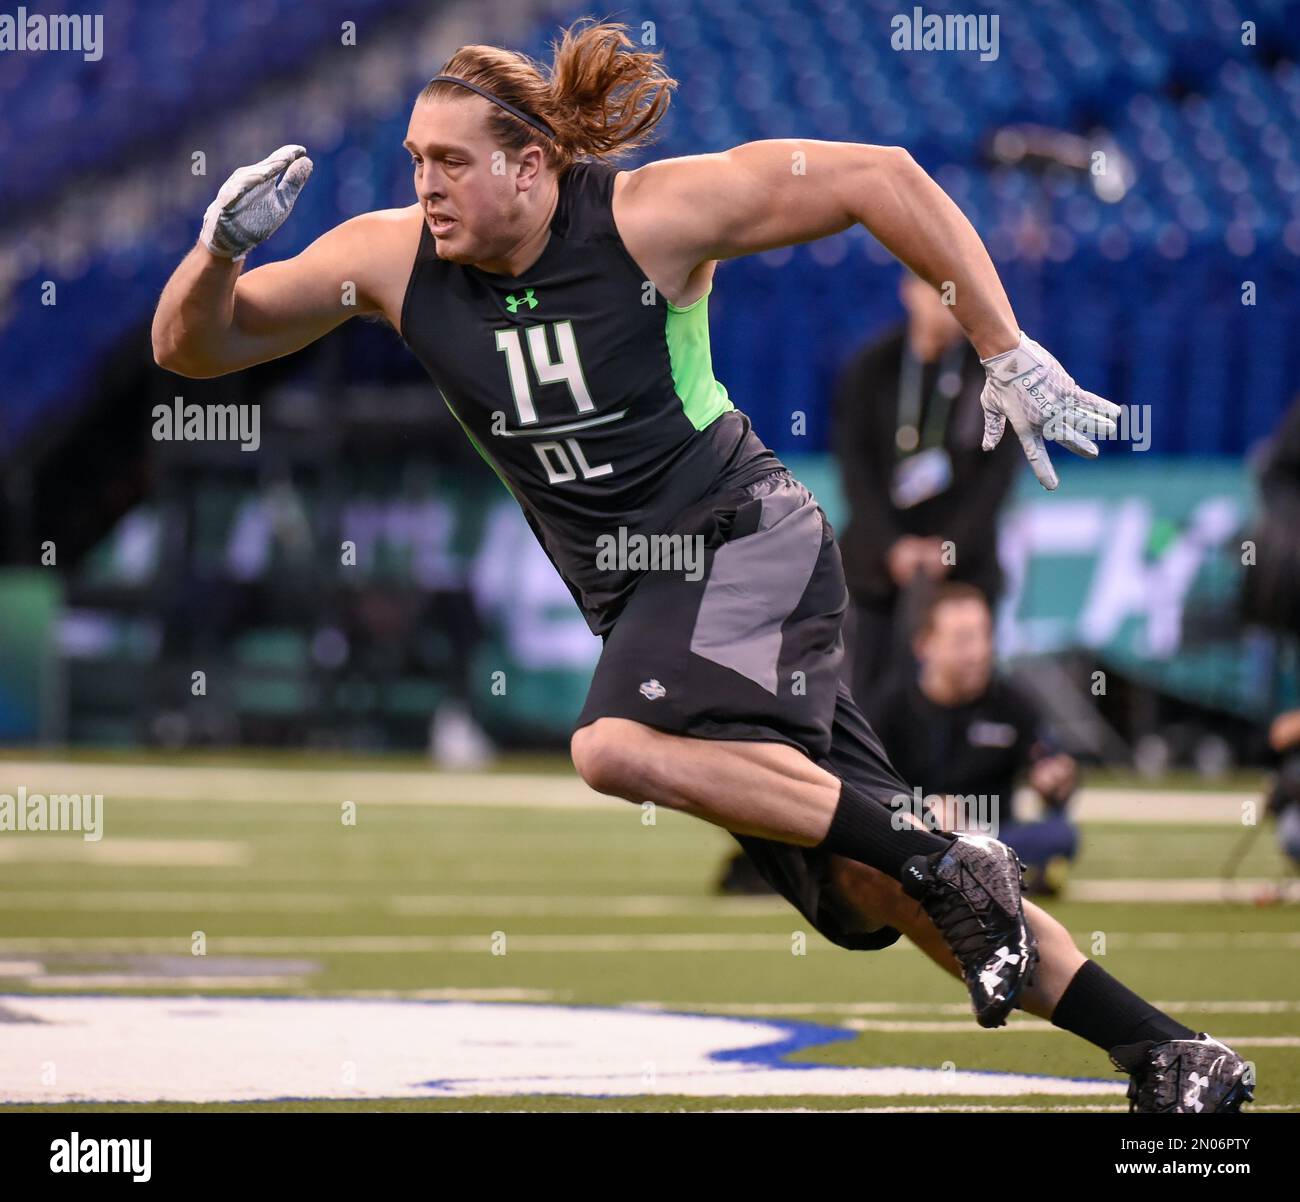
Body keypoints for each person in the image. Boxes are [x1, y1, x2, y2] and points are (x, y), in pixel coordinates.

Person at [150, 19, 1250, 1111]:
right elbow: (192, 346)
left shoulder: (647, 217)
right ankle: (1167, 1049)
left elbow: (881, 176)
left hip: (742, 537)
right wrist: (221, 250)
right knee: (874, 886)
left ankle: (940, 853)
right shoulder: (391, 260)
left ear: (531, 164)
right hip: (646, 596)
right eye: (413, 162)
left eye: (448, 161)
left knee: (612, 746)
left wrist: (1000, 345)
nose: (423, 185)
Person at [833, 271, 1022, 700]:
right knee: (869, 687)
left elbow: (997, 478)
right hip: (878, 566)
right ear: (908, 292)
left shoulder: (992, 375)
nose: (947, 306)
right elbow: (854, 467)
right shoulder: (872, 367)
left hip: (964, 565)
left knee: (964, 685)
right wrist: (890, 546)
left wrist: (951, 545)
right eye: (938, 292)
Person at [865, 583, 1080, 897]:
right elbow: (862, 787)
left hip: (992, 835)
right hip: (913, 832)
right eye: (963, 640)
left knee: (1060, 836)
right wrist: (922, 813)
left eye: (984, 637)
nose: (978, 652)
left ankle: (970, 866)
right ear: (925, 645)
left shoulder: (1012, 704)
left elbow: (1051, 770)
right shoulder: (890, 707)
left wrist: (1057, 781)